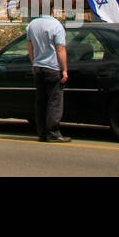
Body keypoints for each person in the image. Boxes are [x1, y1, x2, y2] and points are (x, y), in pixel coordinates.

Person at [26, 9, 69, 143]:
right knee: (54, 102)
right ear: (52, 10)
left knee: (41, 101)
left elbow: (30, 47)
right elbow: (60, 49)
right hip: (52, 67)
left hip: (38, 67)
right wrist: (64, 70)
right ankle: (53, 133)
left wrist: (34, 63)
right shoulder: (56, 25)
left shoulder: (31, 25)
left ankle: (42, 133)